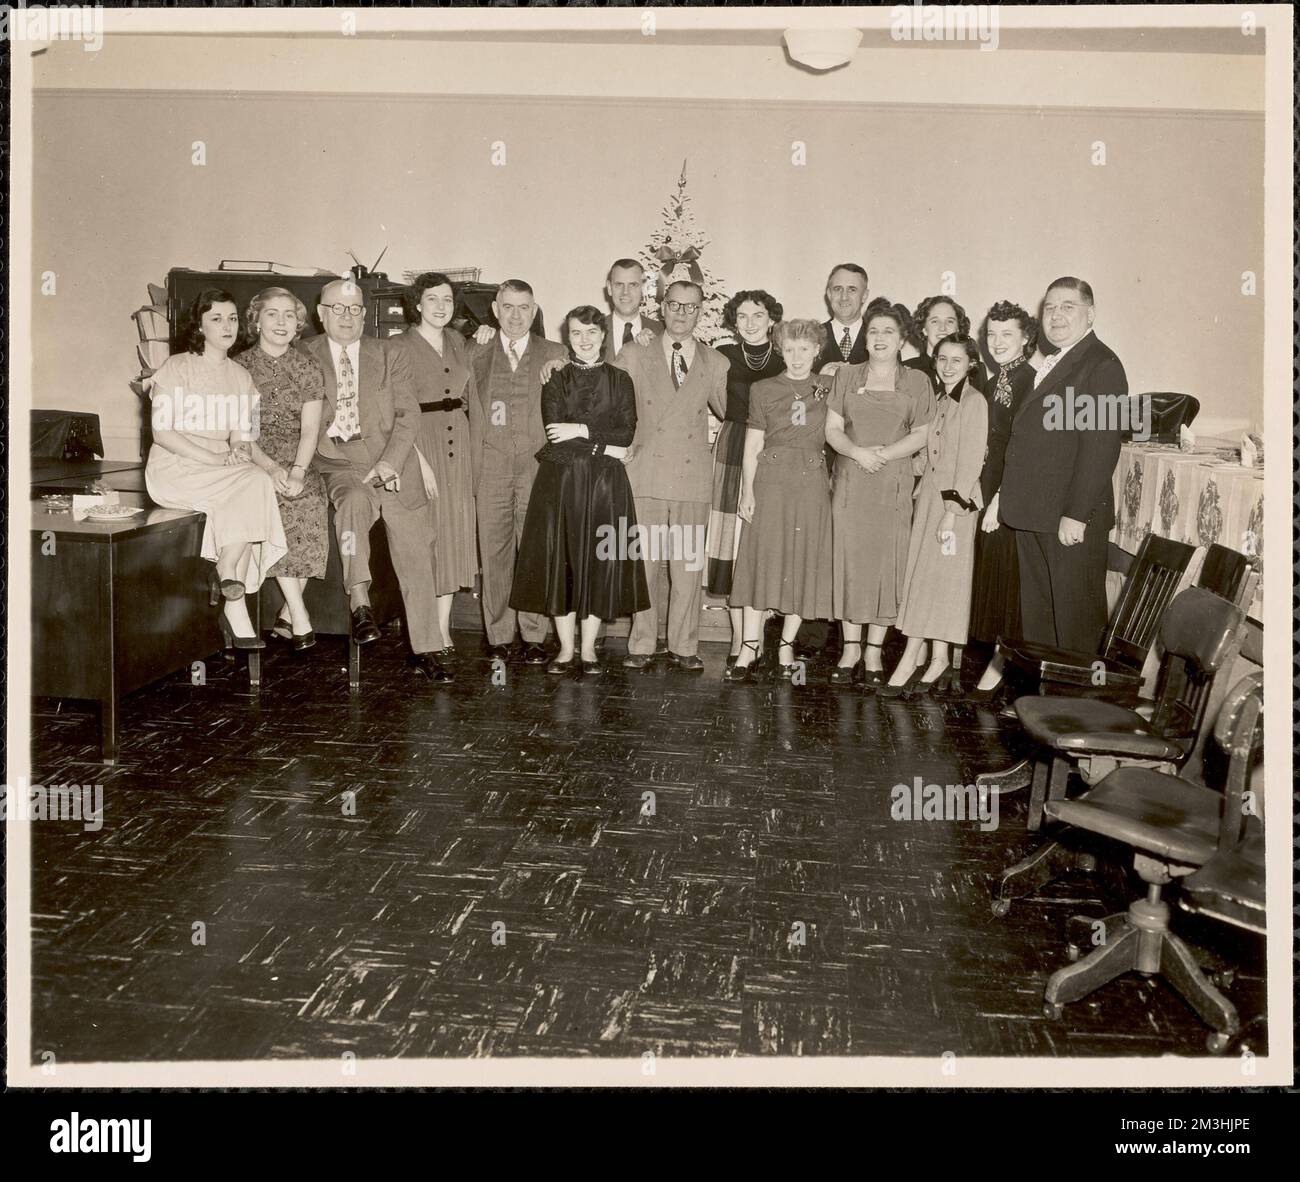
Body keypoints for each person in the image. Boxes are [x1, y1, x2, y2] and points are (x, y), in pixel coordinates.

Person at [303, 277, 452, 682]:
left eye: (354, 309)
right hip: (339, 462)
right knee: (351, 506)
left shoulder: (389, 353)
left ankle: (426, 649)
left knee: (417, 552)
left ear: (365, 315)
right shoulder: (304, 355)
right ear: (321, 314)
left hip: (392, 464)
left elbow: (408, 414)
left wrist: (390, 463)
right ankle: (360, 602)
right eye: (337, 308)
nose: (347, 317)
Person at [146, 288, 286, 651]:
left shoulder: (241, 376)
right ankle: (233, 598)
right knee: (249, 486)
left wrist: (238, 451)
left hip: (221, 468)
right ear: (200, 326)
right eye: (217, 319)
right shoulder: (176, 367)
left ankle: (227, 575)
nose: (227, 326)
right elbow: (161, 433)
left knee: (257, 479)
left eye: (233, 318)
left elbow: (242, 437)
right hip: (176, 467)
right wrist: (215, 458)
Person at [510, 306, 649, 673]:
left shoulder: (621, 380)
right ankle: (566, 649)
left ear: (603, 336)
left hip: (605, 485)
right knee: (564, 563)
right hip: (562, 482)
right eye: (576, 333)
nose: (584, 340)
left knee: (597, 563)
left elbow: (627, 432)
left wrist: (584, 432)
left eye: (591, 332)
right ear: (567, 337)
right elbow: (556, 433)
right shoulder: (556, 377)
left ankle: (588, 650)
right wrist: (606, 445)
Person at [999, 277, 1126, 653]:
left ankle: (1078, 707)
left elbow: (1101, 450)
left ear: (1091, 314)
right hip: (1036, 513)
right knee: (1039, 618)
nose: (1056, 315)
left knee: (1074, 622)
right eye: (1050, 307)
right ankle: (1046, 703)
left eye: (1067, 306)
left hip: (1067, 519)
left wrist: (1076, 514)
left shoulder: (1102, 365)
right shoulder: (1058, 361)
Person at [613, 279, 729, 671]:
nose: (682, 313)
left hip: (691, 478)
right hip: (644, 474)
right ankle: (642, 644)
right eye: (675, 305)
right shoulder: (633, 353)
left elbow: (736, 414)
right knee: (642, 566)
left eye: (691, 306)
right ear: (661, 308)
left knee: (687, 568)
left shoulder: (716, 362)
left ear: (701, 311)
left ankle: (684, 645)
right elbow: (602, 398)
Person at [824, 305, 935, 686]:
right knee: (850, 562)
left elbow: (922, 434)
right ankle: (850, 647)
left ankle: (873, 652)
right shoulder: (846, 375)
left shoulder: (918, 380)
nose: (880, 338)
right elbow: (833, 429)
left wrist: (882, 455)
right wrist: (858, 453)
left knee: (886, 564)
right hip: (852, 482)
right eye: (873, 331)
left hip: (893, 483)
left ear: (903, 339)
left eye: (889, 331)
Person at [881, 335, 989, 697]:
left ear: (971, 363)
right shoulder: (941, 399)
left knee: (939, 580)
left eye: (957, 360)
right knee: (931, 579)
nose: (948, 366)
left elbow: (971, 459)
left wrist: (952, 512)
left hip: (953, 506)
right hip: (929, 498)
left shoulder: (974, 402)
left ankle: (911, 657)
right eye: (942, 359)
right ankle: (938, 656)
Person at [467, 280, 567, 664]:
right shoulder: (475, 348)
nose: (514, 315)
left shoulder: (555, 353)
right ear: (495, 309)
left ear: (534, 309)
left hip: (536, 466)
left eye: (523, 307)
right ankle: (498, 635)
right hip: (490, 465)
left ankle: (535, 634)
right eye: (507, 307)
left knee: (536, 552)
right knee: (494, 553)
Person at [727, 319, 833, 682]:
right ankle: (750, 645)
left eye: (805, 349)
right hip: (771, 479)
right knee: (763, 560)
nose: (797, 356)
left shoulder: (831, 386)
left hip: (811, 481)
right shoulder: (763, 388)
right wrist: (747, 490)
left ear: (818, 350)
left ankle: (787, 644)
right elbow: (753, 443)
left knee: (802, 561)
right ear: (780, 349)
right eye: (790, 349)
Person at [388, 272, 480, 666]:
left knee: (453, 538)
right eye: (432, 299)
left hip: (458, 443)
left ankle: (443, 629)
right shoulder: (398, 346)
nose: (441, 307)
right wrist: (415, 461)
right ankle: (425, 634)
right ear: (417, 304)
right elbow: (394, 412)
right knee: (428, 543)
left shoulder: (459, 341)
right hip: (419, 445)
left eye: (447, 299)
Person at [233, 287, 328, 651]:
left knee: (307, 499)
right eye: (272, 314)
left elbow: (309, 430)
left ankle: (289, 611)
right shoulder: (238, 367)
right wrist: (272, 469)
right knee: (278, 499)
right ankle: (299, 615)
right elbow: (239, 431)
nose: (281, 322)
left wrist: (299, 471)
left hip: (298, 455)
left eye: (289, 315)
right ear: (255, 320)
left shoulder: (307, 367)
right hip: (251, 454)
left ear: (298, 323)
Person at [708, 289, 786, 664]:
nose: (750, 323)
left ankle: (756, 637)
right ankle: (741, 640)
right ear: (733, 321)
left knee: (758, 543)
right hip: (734, 444)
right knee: (731, 545)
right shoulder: (722, 355)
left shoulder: (787, 358)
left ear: (771, 319)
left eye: (758, 315)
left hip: (772, 451)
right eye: (742, 316)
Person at [966, 301, 1038, 701]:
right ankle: (999, 662)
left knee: (1011, 583)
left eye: (1006, 334)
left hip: (1012, 495)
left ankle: (1003, 670)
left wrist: (1000, 502)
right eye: (991, 334)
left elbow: (1023, 450)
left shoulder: (1032, 380)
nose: (997, 342)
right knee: (995, 578)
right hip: (989, 488)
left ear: (1026, 338)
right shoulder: (993, 383)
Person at [905, 296, 986, 393]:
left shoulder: (974, 368)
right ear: (923, 329)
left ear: (958, 329)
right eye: (935, 321)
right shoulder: (907, 369)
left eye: (950, 321)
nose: (942, 328)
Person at [814, 263, 870, 375]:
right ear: (829, 294)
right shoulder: (811, 336)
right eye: (837, 289)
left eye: (852, 289)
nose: (844, 297)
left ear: (864, 295)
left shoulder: (880, 337)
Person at [604, 258, 664, 361]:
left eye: (633, 285)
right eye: (619, 285)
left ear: (644, 288)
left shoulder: (661, 332)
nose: (625, 292)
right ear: (609, 288)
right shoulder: (591, 330)